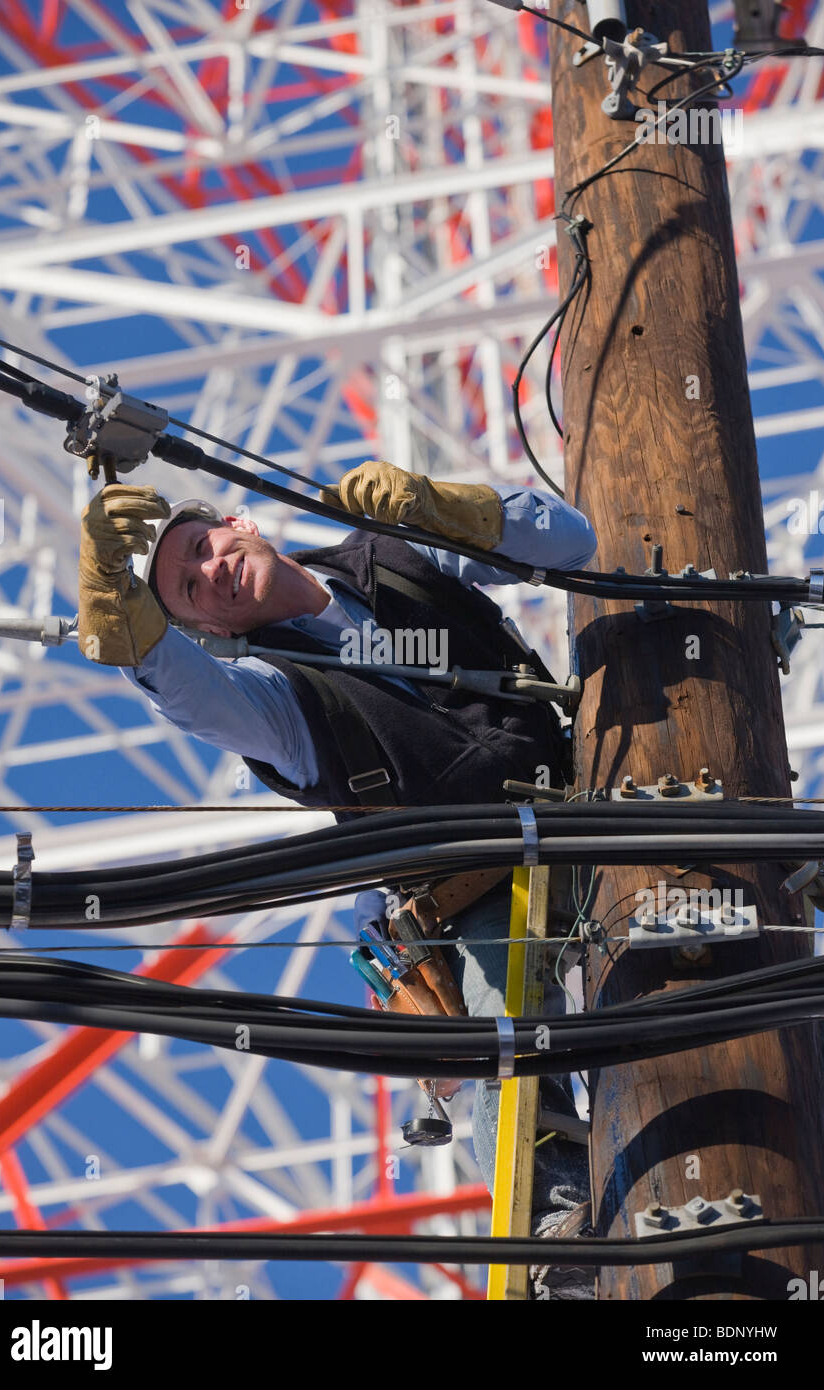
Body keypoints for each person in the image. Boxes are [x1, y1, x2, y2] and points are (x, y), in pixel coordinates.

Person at [77, 460, 597, 1286]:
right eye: (184, 589)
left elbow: (575, 543)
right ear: (203, 628)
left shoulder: (395, 554)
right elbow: (192, 695)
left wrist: (450, 509)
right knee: (511, 1042)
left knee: (718, 973)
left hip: (605, 809)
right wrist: (122, 621)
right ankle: (558, 1243)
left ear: (243, 526)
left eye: (205, 547)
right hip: (488, 888)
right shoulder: (274, 699)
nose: (210, 572)